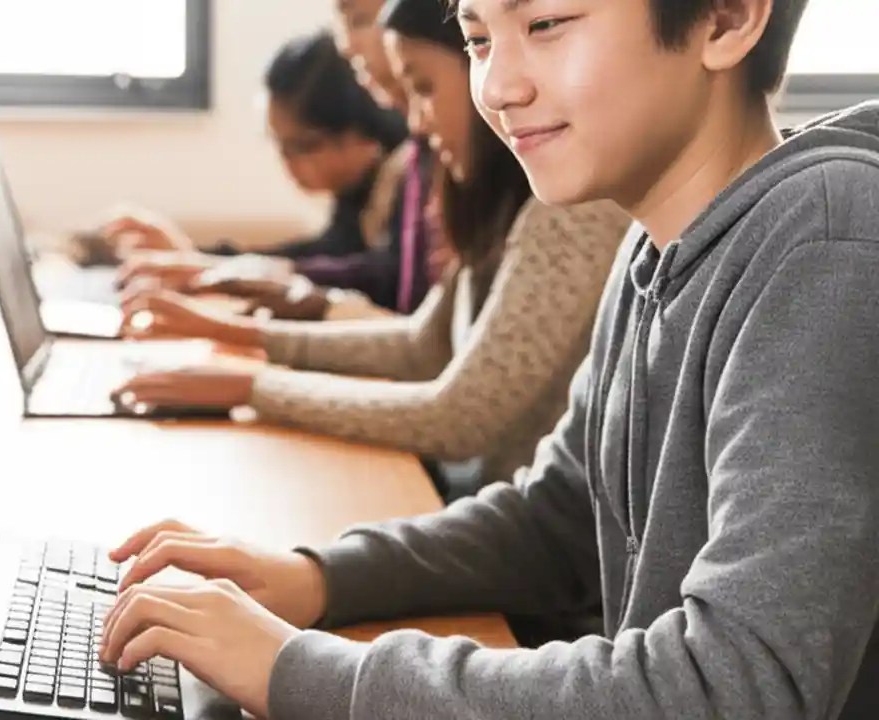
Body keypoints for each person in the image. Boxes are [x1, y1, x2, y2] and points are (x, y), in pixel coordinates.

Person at [97, 0, 879, 717]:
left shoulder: (823, 243)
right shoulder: (651, 240)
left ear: (725, 18)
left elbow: (734, 684)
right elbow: (556, 521)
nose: (497, 87)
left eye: (545, 24)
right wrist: (318, 576)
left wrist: (303, 672)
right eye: (476, 39)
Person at [115, 0, 629, 491]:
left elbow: (459, 416)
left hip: (492, 527)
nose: (415, 123)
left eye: (423, 89)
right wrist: (239, 338)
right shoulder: (500, 203)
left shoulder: (573, 213)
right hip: (469, 508)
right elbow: (420, 346)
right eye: (481, 48)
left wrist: (249, 386)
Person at [105, 29, 439, 314]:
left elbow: (383, 277)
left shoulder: (412, 171)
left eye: (301, 146)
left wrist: (217, 270)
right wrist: (200, 260)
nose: (287, 164)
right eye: (278, 146)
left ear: (360, 131)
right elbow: (328, 252)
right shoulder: (358, 191)